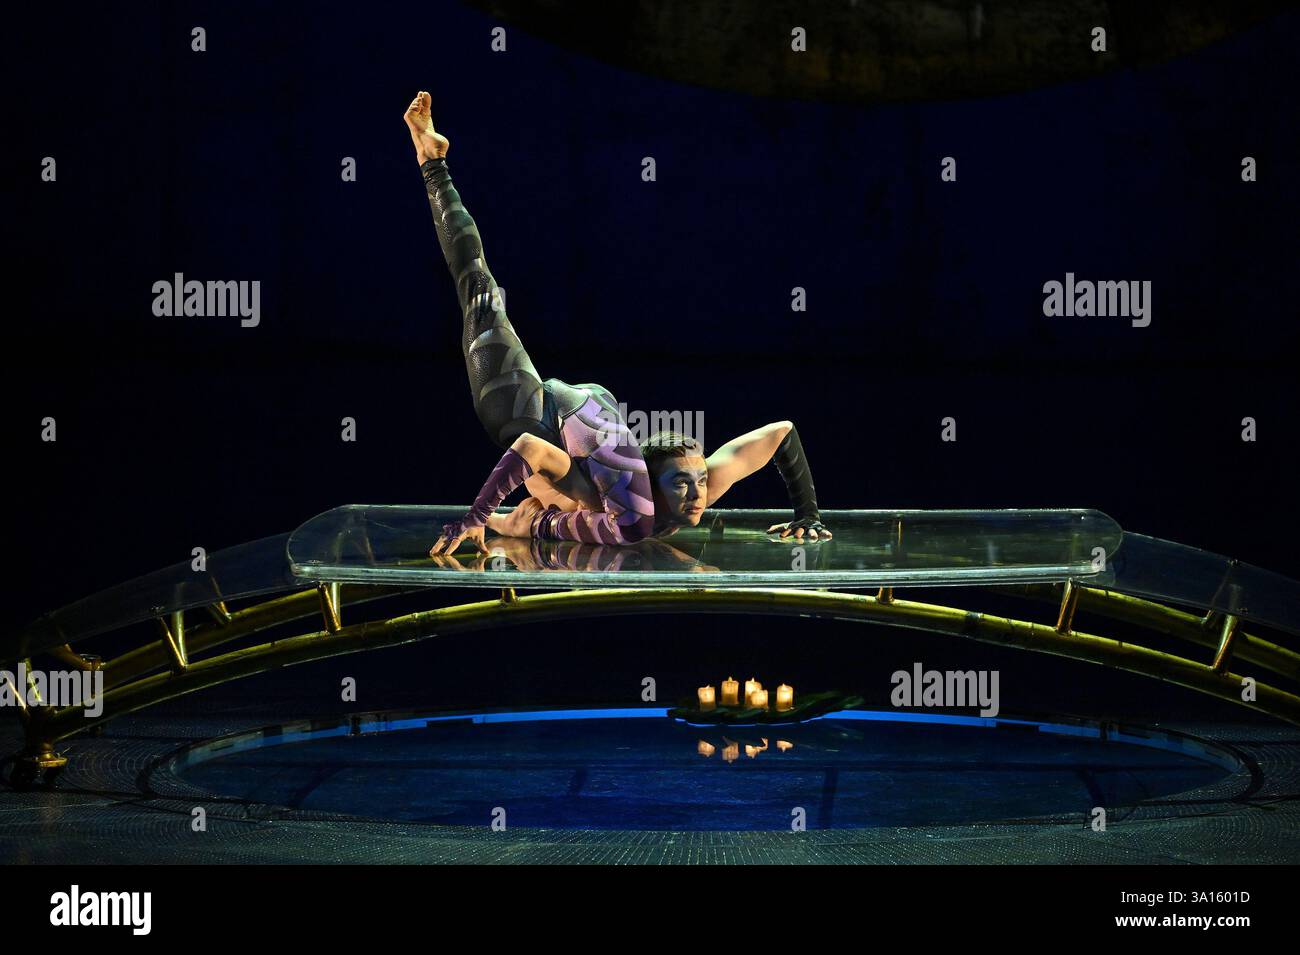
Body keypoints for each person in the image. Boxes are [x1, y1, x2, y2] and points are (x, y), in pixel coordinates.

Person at [403, 91, 830, 556]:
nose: (697, 494)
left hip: (575, 419)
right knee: (479, 292)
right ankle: (433, 162)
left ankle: (431, 158)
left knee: (480, 294)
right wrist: (477, 518)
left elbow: (780, 432)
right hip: (536, 416)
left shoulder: (684, 490)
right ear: (652, 483)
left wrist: (807, 515)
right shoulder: (608, 493)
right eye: (682, 485)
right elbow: (531, 449)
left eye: (699, 481)